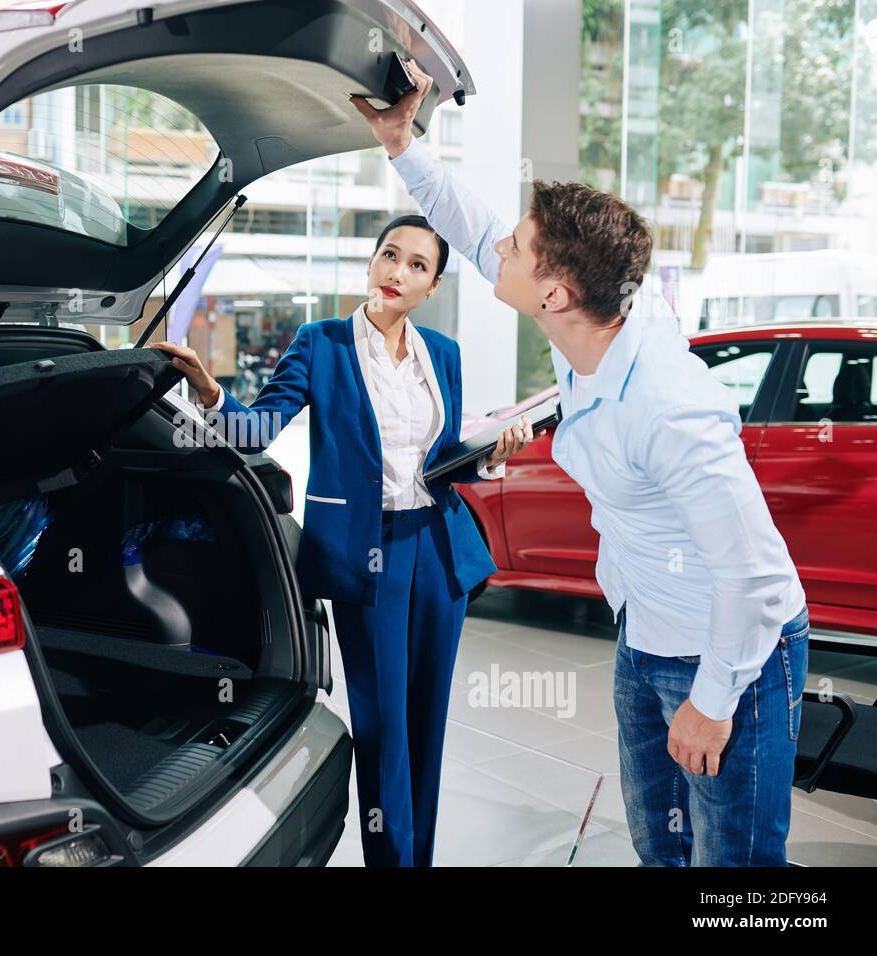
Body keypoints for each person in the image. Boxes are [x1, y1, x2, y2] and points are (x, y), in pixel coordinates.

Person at [351, 58, 809, 866]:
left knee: (733, 869)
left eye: (519, 247)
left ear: (555, 293)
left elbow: (752, 576)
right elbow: (469, 223)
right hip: (644, 637)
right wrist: (402, 145)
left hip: (731, 655)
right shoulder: (593, 318)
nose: (499, 248)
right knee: (659, 851)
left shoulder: (668, 406)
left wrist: (711, 701)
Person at [151, 216, 533, 867]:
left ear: (431, 285)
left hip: (439, 554)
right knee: (382, 729)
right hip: (368, 556)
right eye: (390, 255)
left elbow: (440, 460)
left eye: (417, 265)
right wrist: (209, 392)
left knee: (426, 724)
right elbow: (258, 429)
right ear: (371, 261)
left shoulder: (442, 353)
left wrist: (490, 454)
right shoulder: (322, 344)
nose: (397, 272)